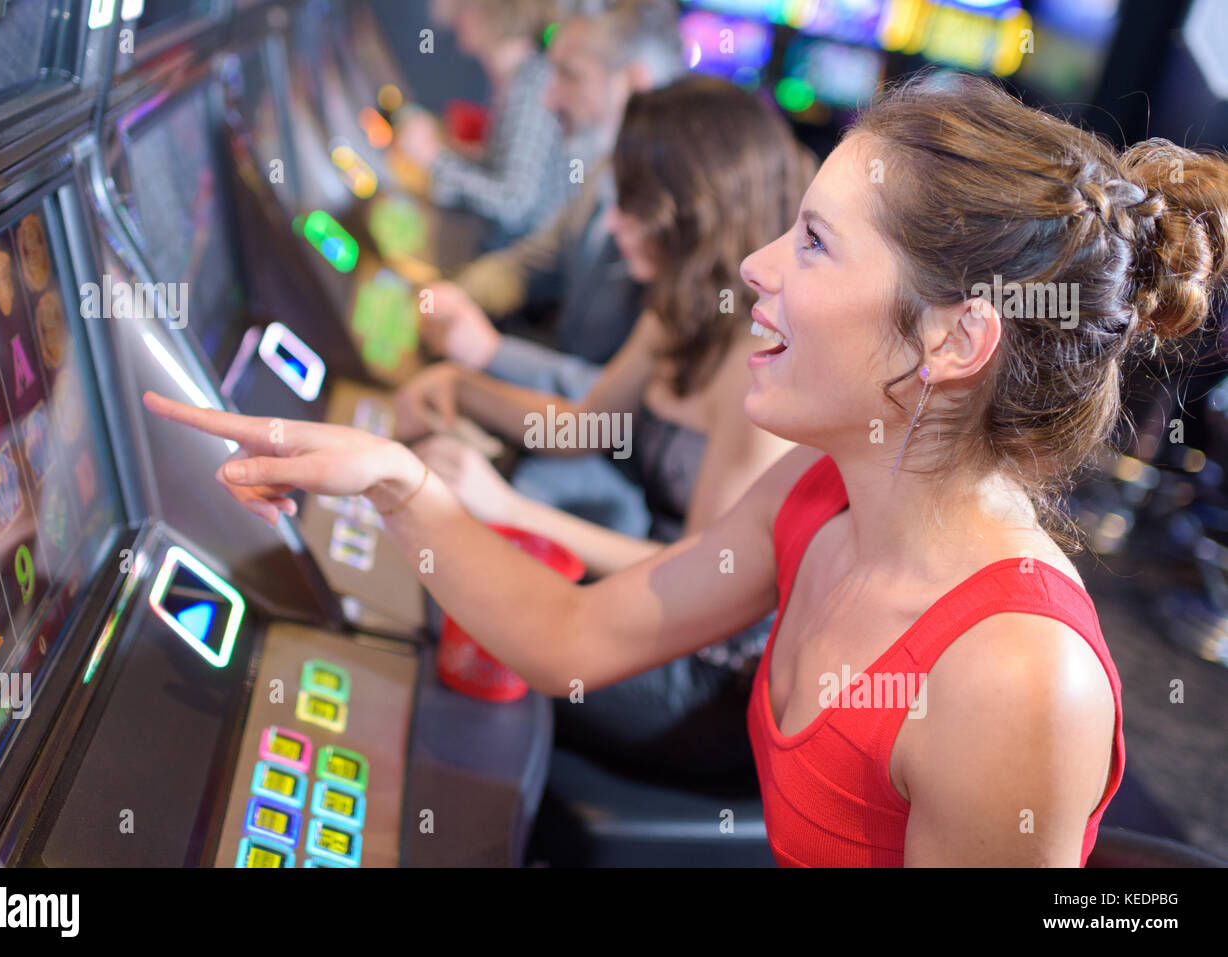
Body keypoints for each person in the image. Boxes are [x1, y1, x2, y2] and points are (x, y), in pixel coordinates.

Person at [142, 71, 1228, 864]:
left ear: (950, 341)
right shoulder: (817, 497)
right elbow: (570, 637)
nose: (753, 267)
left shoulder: (1016, 677)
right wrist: (393, 479)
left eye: (811, 244)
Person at [397, 76, 812, 776]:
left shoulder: (758, 358)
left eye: (632, 205)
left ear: (695, 212)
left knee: (456, 606)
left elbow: (706, 572)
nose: (613, 224)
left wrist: (506, 508)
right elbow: (586, 426)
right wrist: (461, 388)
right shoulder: (679, 302)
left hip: (706, 678)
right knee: (451, 577)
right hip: (654, 601)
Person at [418, 0, 685, 388]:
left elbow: (621, 406)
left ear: (635, 83)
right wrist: (455, 295)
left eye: (570, 76)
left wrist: (491, 352)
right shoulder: (601, 173)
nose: (549, 99)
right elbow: (534, 261)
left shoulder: (674, 215)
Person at [394, 0, 571, 247]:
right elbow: (502, 169)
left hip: (520, 257)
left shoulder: (532, 86)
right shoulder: (518, 79)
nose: (456, 18)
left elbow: (514, 200)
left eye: (465, 8)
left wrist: (434, 158)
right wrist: (448, 154)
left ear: (495, 12)